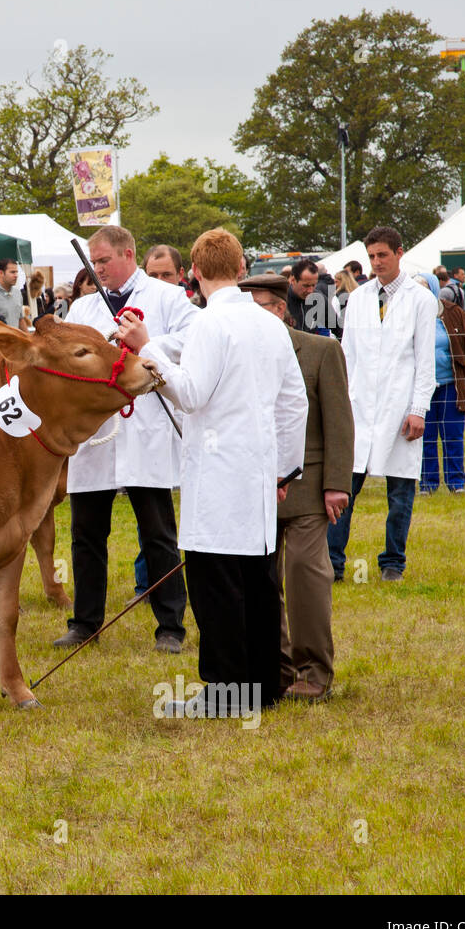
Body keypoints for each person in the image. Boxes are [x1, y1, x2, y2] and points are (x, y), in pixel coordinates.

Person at [124, 230, 307, 718]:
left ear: (196, 274)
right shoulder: (270, 324)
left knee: (217, 585)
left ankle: (227, 692)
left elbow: (191, 393)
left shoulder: (211, 323)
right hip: (261, 475)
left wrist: (148, 352)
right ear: (242, 265)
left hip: (219, 475)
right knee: (260, 581)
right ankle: (264, 684)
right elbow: (295, 403)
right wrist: (284, 470)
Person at [56, 224, 199, 653]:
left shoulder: (167, 297)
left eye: (104, 261)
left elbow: (194, 339)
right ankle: (85, 623)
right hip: (95, 432)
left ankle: (170, 626)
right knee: (86, 533)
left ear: (128, 254)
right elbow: (62, 357)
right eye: (93, 263)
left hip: (146, 429)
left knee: (157, 531)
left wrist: (145, 343)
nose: (98, 270)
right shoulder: (82, 309)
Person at [239, 273, 351, 703]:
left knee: (304, 572)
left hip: (308, 488)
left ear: (281, 309)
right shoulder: (240, 357)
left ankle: (314, 670)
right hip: (256, 489)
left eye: (261, 307)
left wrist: (337, 484)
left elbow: (340, 422)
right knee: (263, 583)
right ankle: (277, 667)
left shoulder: (322, 351)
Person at [328, 227, 436, 583]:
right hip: (359, 406)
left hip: (400, 405)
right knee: (344, 487)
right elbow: (348, 354)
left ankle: (393, 563)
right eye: (371, 257)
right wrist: (341, 402)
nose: (376, 263)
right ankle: (333, 564)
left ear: (399, 253)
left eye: (382, 256)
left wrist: (418, 409)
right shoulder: (358, 299)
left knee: (401, 490)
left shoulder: (420, 300)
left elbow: (424, 361)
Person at [420, 297, 465, 492]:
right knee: (425, 436)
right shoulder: (409, 313)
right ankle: (427, 483)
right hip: (422, 388)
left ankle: (456, 482)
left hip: (451, 385)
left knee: (453, 434)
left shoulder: (454, 313)